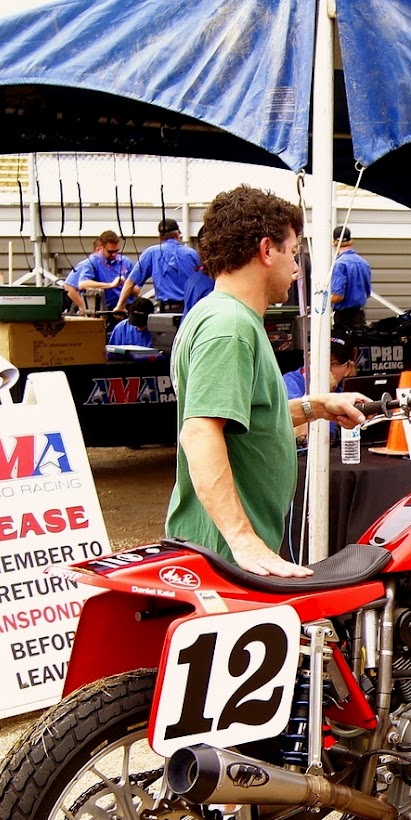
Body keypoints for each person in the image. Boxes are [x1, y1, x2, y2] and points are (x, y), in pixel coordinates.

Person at [165, 186, 366, 576]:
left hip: (224, 554)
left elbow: (245, 422)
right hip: (225, 557)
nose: (296, 266)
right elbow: (201, 432)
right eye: (292, 251)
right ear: (266, 250)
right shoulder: (230, 327)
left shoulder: (220, 315)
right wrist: (244, 540)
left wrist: (316, 407)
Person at [118, 218, 202, 313]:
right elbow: (204, 282)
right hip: (190, 311)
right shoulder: (192, 254)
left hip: (165, 312)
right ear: (177, 235)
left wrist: (120, 306)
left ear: (160, 237)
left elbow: (130, 282)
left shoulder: (151, 253)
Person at [66, 230, 133, 313]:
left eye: (116, 251)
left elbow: (137, 290)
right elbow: (78, 285)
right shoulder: (91, 263)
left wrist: (126, 284)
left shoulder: (126, 262)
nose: (114, 255)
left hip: (126, 309)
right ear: (101, 247)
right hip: (105, 310)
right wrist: (83, 307)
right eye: (110, 252)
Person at [330, 225, 372, 330]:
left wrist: (322, 301)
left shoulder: (339, 264)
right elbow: (367, 293)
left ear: (334, 241)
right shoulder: (364, 263)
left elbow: (338, 296)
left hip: (344, 319)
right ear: (350, 241)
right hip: (359, 316)